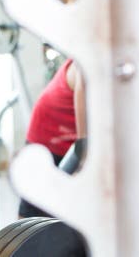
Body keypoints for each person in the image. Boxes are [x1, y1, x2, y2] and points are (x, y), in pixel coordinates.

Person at [18, 58, 86, 217]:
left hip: (71, 135)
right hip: (47, 133)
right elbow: (84, 142)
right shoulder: (85, 65)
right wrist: (83, 160)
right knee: (33, 211)